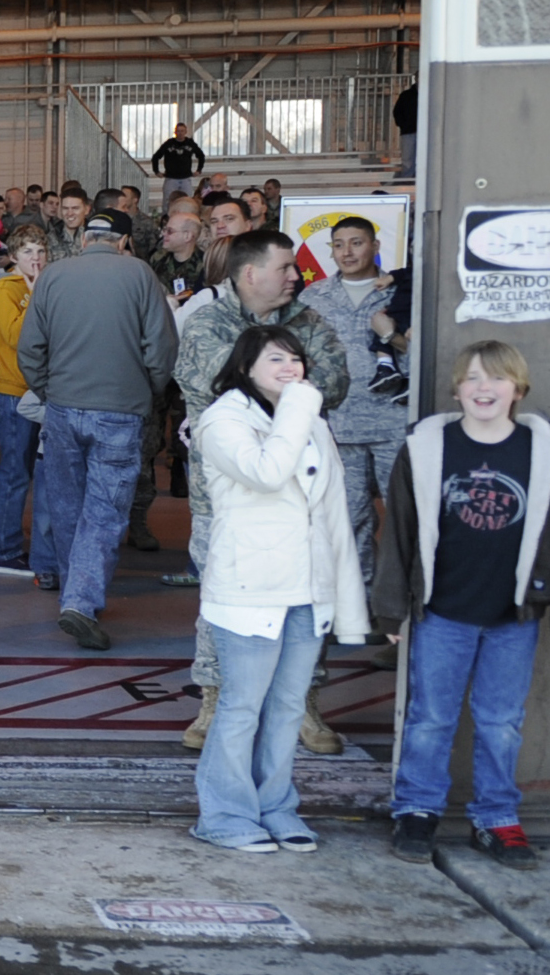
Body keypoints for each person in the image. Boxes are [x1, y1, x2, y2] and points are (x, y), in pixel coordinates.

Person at [374, 340, 550, 869]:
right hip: (442, 612)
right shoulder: (426, 448)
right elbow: (399, 532)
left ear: (518, 389)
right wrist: (390, 608)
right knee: (430, 718)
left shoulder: (544, 452)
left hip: (512, 617)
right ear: (456, 389)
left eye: (496, 378)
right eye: (471, 378)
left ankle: (496, 817)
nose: (483, 388)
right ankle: (417, 809)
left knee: (501, 721)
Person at [188, 326, 367, 853]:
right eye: (276, 360)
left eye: (296, 359)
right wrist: (300, 407)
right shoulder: (223, 420)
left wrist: (347, 597)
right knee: (241, 706)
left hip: (307, 587)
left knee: (288, 705)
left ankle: (277, 807)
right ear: (246, 367)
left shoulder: (306, 419)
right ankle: (224, 815)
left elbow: (333, 511)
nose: (291, 369)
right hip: (249, 587)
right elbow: (266, 473)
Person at [175, 229, 352, 751]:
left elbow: (335, 385)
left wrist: (272, 383)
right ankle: (214, 699)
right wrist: (295, 387)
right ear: (250, 274)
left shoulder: (309, 321)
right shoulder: (207, 323)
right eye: (285, 268)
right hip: (226, 499)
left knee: (307, 597)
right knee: (222, 598)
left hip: (299, 497)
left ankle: (303, 705)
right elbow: (217, 387)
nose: (296, 276)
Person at [15, 212, 177, 651]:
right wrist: (146, 391)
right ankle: (81, 603)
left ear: (84, 240)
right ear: (122, 242)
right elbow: (161, 347)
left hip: (62, 410)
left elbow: (29, 348)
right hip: (120, 412)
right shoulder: (140, 274)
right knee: (104, 513)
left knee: (67, 507)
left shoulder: (53, 275)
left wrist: (50, 391)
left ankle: (75, 596)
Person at [297, 216, 403, 571]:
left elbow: (422, 350)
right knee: (349, 520)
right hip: (339, 427)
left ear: (375, 246)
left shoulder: (400, 293)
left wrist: (390, 335)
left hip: (393, 423)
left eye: (356, 243)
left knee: (405, 518)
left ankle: (402, 599)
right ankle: (361, 598)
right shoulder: (314, 297)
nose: (347, 252)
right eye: (339, 245)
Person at [0, 228, 48, 578]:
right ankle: (2, 550)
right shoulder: (6, 289)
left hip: (35, 391)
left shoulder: (40, 286)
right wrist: (34, 296)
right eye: (28, 251)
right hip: (12, 391)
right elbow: (16, 336)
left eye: (41, 251)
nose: (36, 258)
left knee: (23, 472)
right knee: (14, 472)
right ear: (14, 256)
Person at [150, 122, 207, 203]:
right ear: (175, 132)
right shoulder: (169, 143)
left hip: (186, 178)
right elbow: (156, 157)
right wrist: (156, 171)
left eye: (182, 131)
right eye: (178, 131)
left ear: (185, 132)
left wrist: (199, 170)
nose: (180, 133)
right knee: (168, 201)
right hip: (171, 178)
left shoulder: (190, 143)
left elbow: (201, 156)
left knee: (188, 201)